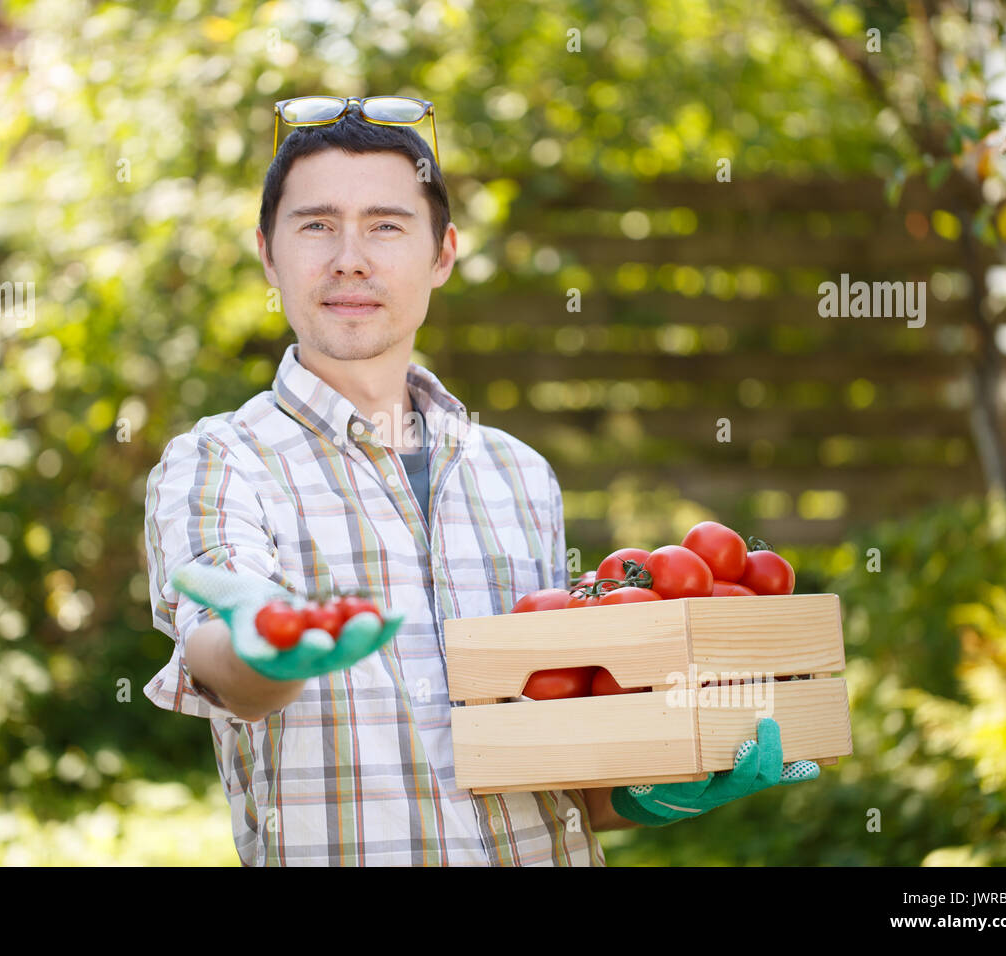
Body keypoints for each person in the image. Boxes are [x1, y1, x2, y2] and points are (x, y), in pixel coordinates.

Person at [143, 98, 814, 866]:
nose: (350, 258)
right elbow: (223, 666)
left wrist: (651, 793)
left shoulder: (520, 476)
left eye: (387, 226)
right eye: (316, 225)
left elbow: (550, 764)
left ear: (442, 255)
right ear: (268, 253)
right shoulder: (219, 462)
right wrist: (268, 650)